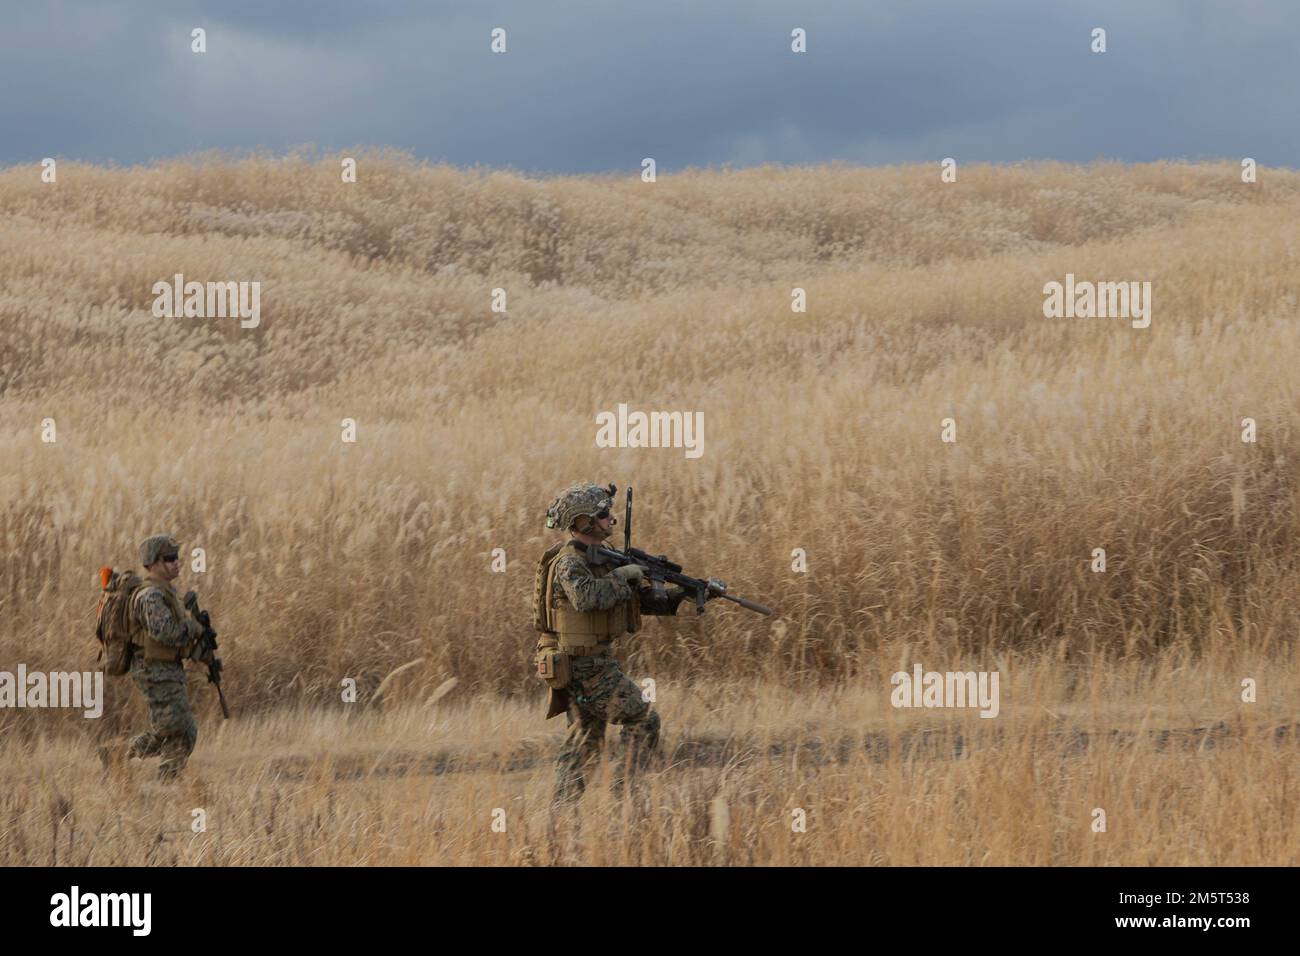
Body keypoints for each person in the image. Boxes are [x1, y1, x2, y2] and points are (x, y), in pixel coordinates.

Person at [535, 483, 707, 805]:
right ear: (584, 521)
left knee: (584, 742)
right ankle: (625, 798)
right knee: (642, 719)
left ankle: (560, 815)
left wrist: (684, 594)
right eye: (603, 514)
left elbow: (636, 601)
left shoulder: (603, 559)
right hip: (586, 666)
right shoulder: (569, 563)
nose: (611, 519)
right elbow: (586, 598)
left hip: (588, 663)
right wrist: (623, 575)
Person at [101, 533, 211, 781]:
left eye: (176, 557)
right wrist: (193, 628)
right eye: (169, 558)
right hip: (154, 670)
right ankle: (167, 780)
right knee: (177, 729)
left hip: (165, 669)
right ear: (152, 563)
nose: (176, 562)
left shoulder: (164, 592)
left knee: (179, 730)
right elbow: (166, 632)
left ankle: (117, 754)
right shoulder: (149, 596)